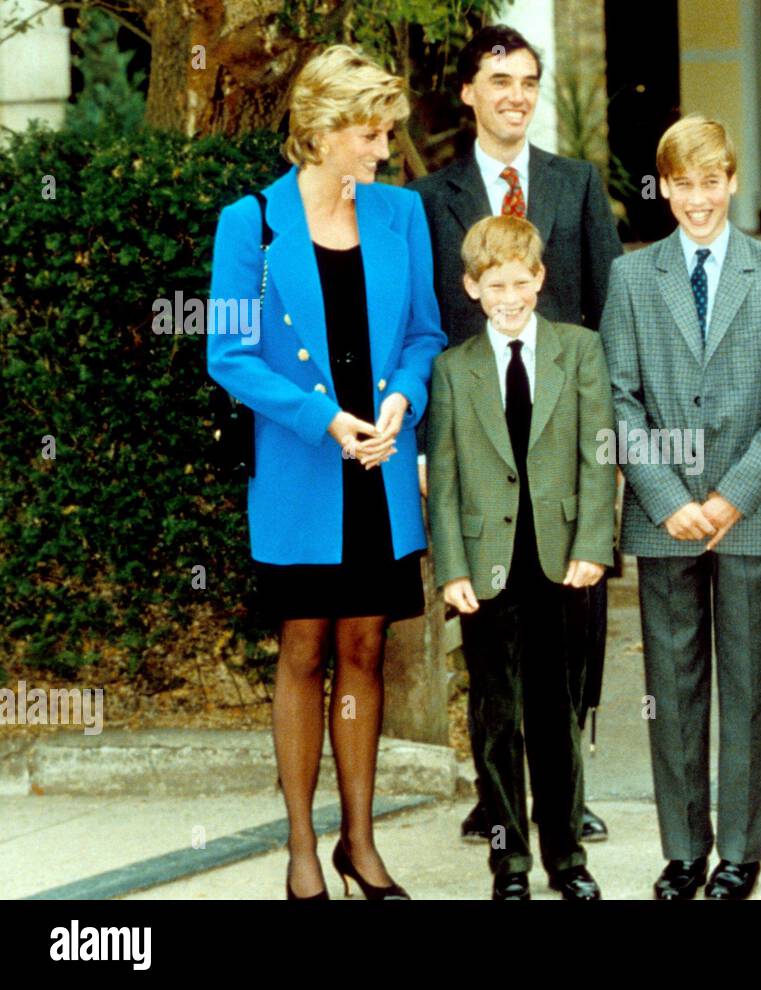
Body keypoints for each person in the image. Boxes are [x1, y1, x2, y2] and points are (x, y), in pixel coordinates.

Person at [207, 44, 445, 900]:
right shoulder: (250, 224)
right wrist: (324, 420)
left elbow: (423, 334)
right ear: (323, 131)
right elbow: (227, 354)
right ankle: (304, 850)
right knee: (304, 648)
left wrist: (400, 405)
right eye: (372, 135)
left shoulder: (401, 217)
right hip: (301, 471)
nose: (384, 152)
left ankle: (360, 841)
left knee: (367, 645)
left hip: (378, 470)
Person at [410, 23, 623, 845]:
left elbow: (610, 315)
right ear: (468, 92)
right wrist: (432, 445)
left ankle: (569, 791)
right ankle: (496, 794)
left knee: (573, 626)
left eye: (529, 81)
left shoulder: (575, 185)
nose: (516, 96)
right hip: (480, 444)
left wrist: (612, 454)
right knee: (491, 629)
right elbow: (425, 328)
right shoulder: (432, 201)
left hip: (564, 443)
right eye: (499, 80)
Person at [601, 115, 761, 900]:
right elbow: (619, 400)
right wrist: (666, 499)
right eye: (681, 184)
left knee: (746, 687)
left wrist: (730, 495)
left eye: (711, 182)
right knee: (674, 685)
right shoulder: (632, 278)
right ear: (662, 189)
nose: (698, 199)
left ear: (733, 181)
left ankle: (741, 851)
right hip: (666, 521)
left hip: (749, 510)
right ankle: (684, 848)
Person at [426, 215, 616, 900]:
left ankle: (567, 859)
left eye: (520, 281)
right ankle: (509, 861)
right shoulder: (453, 370)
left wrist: (595, 544)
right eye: (493, 284)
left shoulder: (579, 351)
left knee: (555, 714)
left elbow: (600, 455)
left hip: (562, 560)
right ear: (472, 287)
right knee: (495, 716)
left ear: (540, 278)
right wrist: (452, 567)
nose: (509, 296)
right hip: (486, 565)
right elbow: (442, 479)